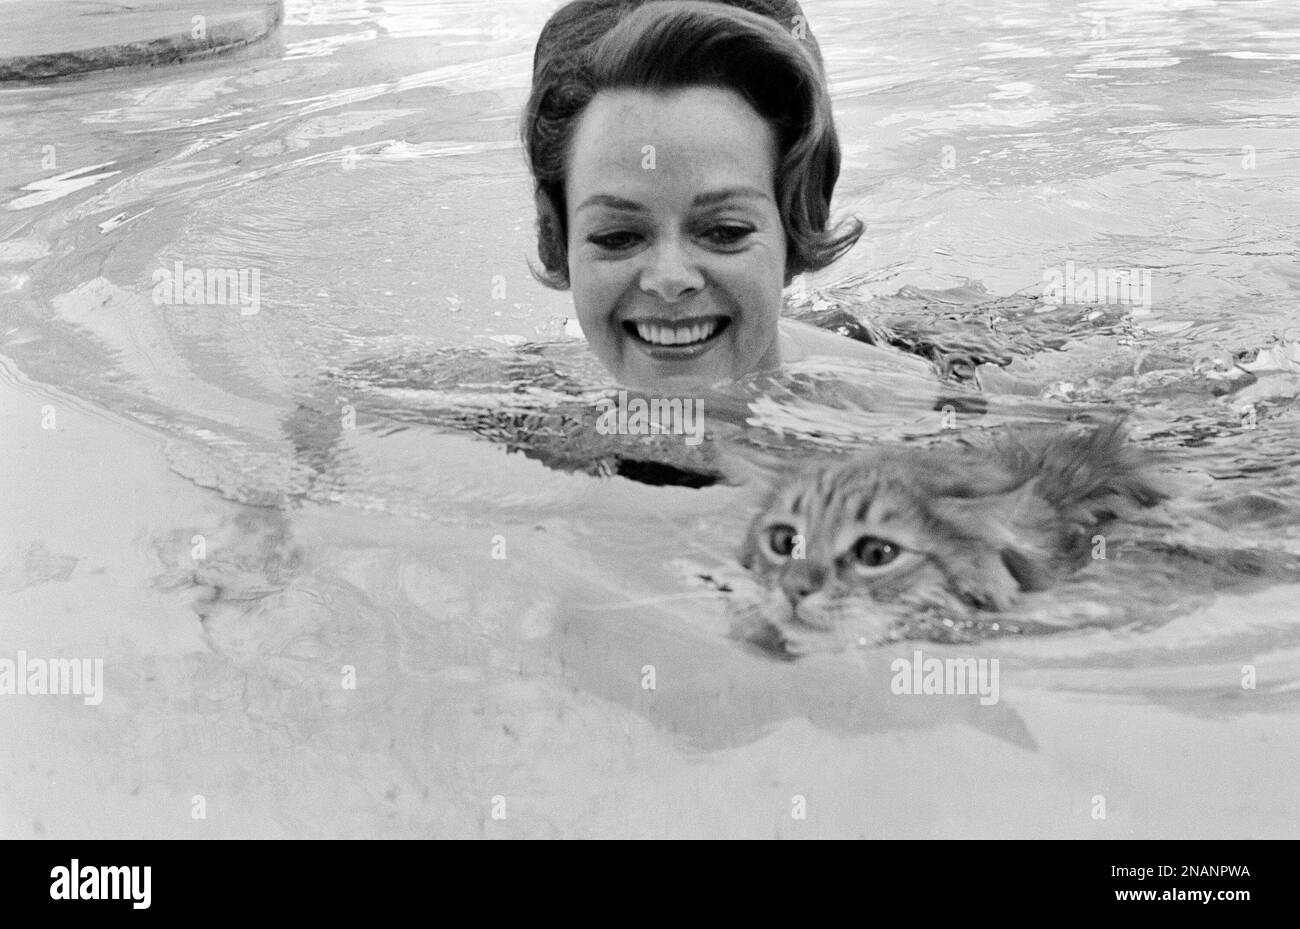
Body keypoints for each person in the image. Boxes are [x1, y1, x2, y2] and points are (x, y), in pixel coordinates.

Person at [521, 0, 935, 395]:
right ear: (557, 239)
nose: (670, 280)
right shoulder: (509, 408)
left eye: (724, 231)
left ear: (798, 226)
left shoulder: (928, 428)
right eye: (617, 237)